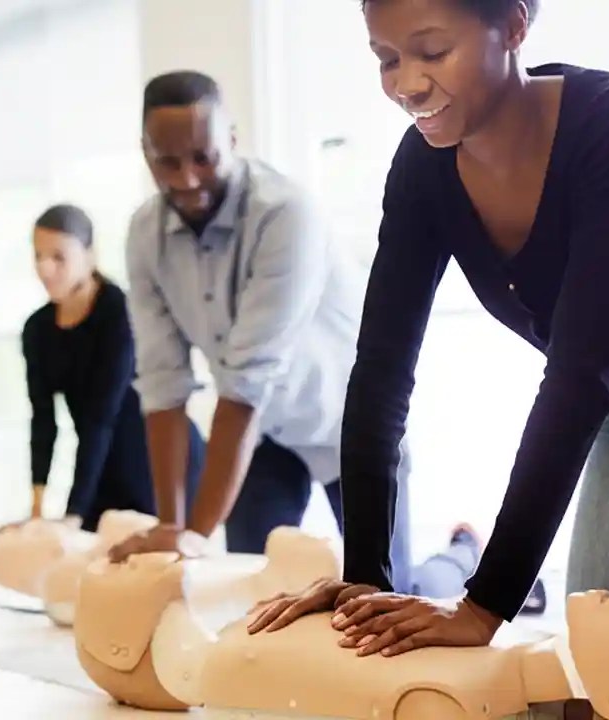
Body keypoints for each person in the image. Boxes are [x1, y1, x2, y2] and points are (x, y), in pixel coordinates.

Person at [249, 0, 609, 711]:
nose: (407, 83)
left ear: (514, 26)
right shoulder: (423, 169)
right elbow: (381, 372)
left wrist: (484, 604)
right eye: (386, 58)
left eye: (431, 50)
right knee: (588, 686)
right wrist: (367, 572)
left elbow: (579, 379)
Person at [107, 70, 422, 590]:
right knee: (252, 596)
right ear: (145, 153)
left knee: (390, 601)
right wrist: (172, 528)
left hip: (349, 421)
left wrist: (196, 536)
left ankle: (461, 552)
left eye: (203, 157)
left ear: (230, 140)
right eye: (168, 161)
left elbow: (246, 380)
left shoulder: (285, 214)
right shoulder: (145, 234)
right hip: (263, 437)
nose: (187, 178)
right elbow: (163, 383)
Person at [20, 204, 202, 532]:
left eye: (59, 257)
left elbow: (99, 418)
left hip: (158, 463)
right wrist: (36, 510)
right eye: (38, 256)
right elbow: (43, 421)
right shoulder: (37, 330)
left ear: (90, 255)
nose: (45, 269)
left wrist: (74, 513)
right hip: (101, 469)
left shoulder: (119, 312)